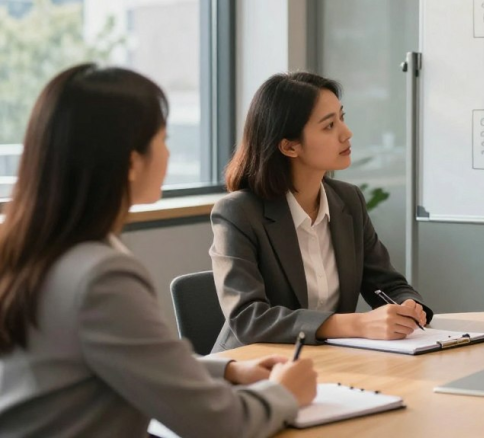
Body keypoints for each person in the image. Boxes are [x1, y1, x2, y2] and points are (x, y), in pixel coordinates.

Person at [0, 64, 317, 438]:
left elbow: (133, 360)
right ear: (132, 163)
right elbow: (219, 424)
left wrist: (229, 370)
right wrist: (282, 393)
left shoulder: (33, 248)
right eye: (163, 140)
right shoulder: (101, 276)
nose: (168, 154)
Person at [210, 72, 431, 351]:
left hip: (325, 361)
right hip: (251, 368)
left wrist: (408, 306)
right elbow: (250, 319)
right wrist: (357, 325)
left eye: (342, 117)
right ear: (290, 146)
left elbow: (387, 283)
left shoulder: (348, 200)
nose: (346, 132)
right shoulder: (238, 213)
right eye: (329, 126)